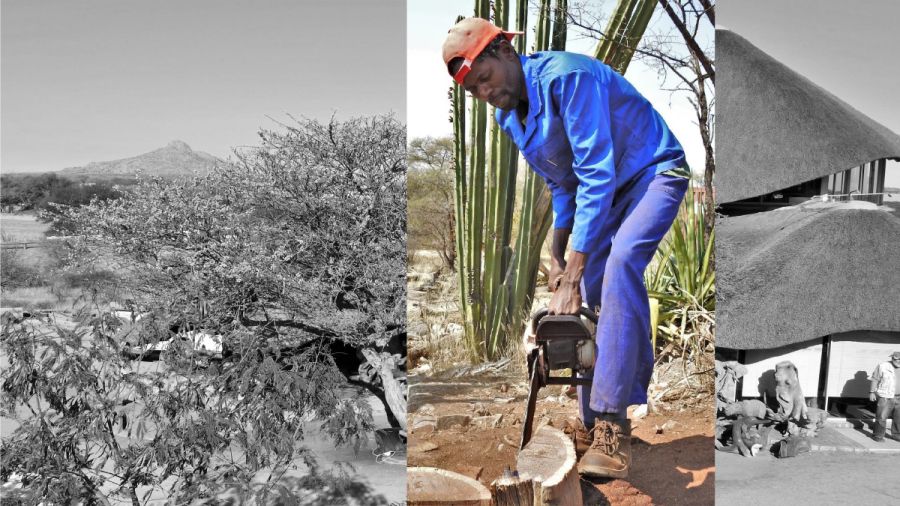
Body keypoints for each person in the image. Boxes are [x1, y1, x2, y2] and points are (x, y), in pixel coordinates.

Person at [442, 18, 690, 478]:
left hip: (653, 174)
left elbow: (595, 172)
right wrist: (558, 261)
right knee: (593, 295)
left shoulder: (566, 78)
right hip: (608, 192)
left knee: (618, 266)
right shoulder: (508, 116)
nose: (484, 94)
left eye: (485, 79)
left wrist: (573, 275)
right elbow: (562, 185)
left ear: (504, 52)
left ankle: (613, 427)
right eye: (473, 91)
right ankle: (592, 420)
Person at [869, 351, 900, 442]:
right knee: (881, 416)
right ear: (892, 358)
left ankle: (897, 435)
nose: (897, 361)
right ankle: (878, 436)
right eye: (895, 359)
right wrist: (871, 392)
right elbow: (875, 379)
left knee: (899, 418)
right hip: (886, 396)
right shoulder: (883, 366)